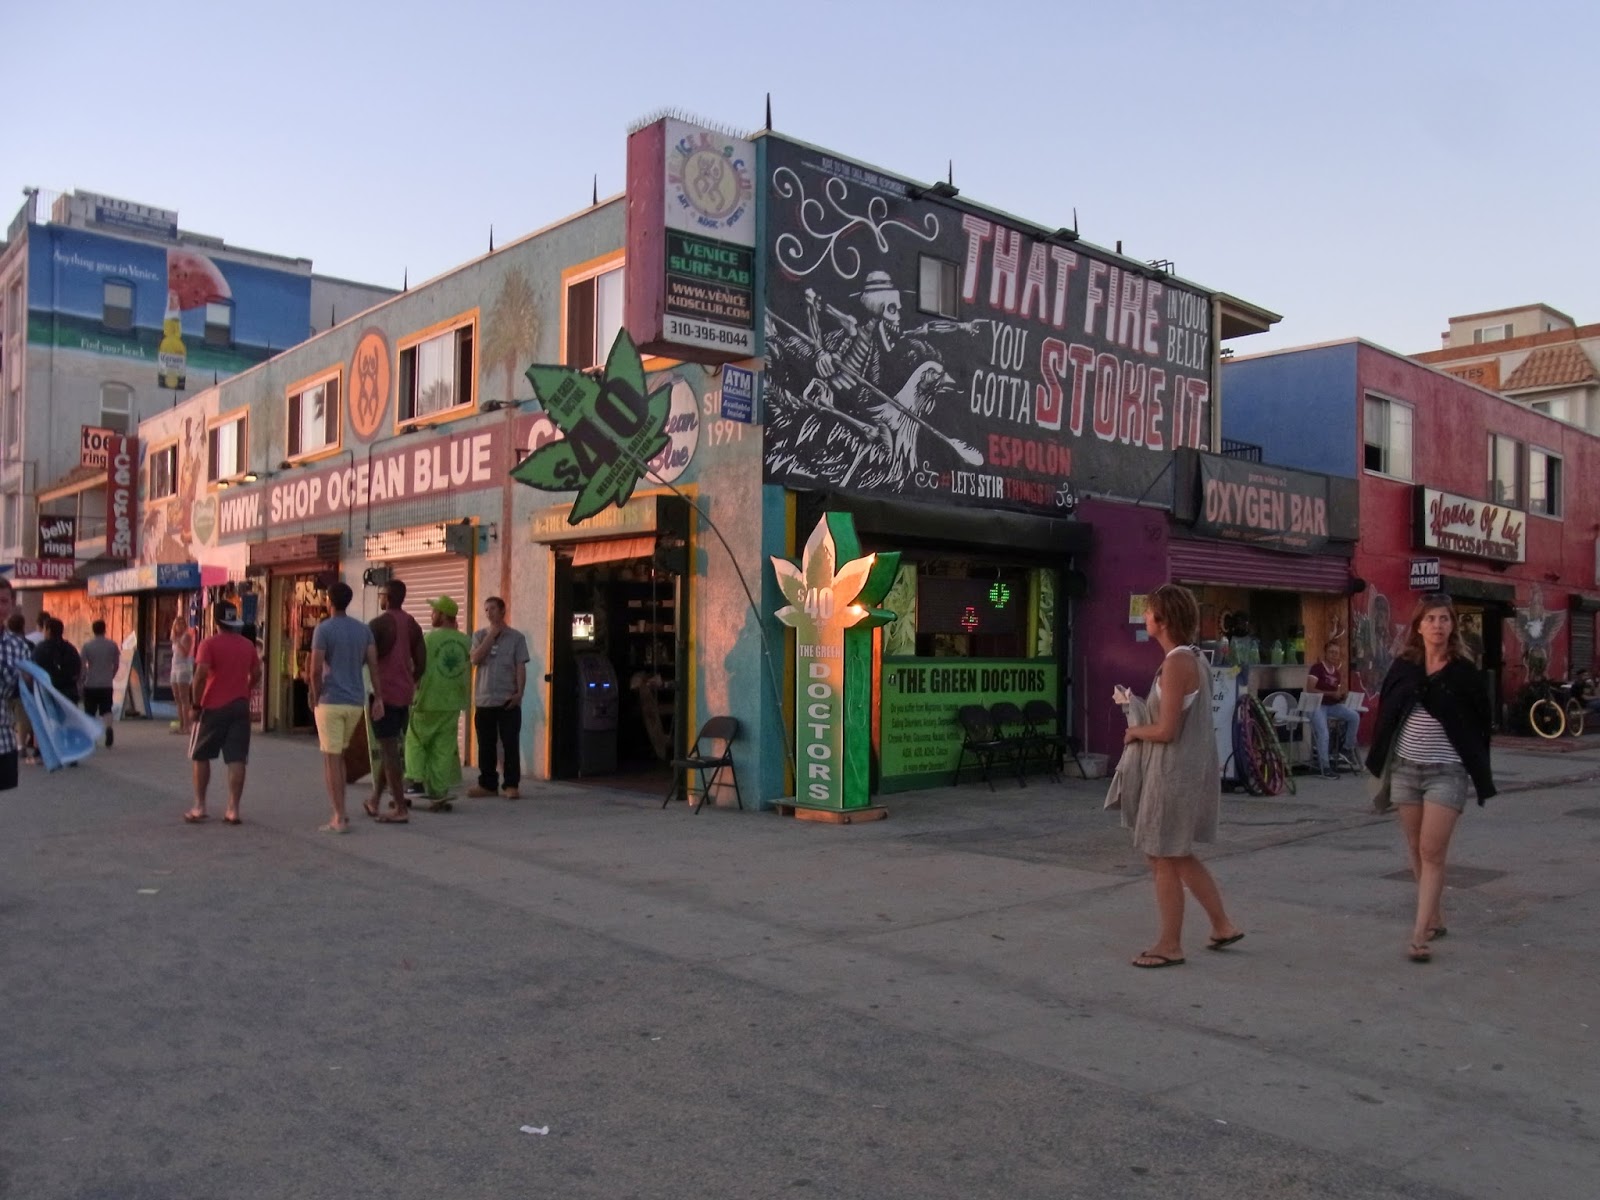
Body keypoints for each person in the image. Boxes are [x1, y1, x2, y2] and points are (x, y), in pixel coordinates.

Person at [1114, 584, 1243, 968]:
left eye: (1150, 612)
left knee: (1163, 856)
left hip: (1172, 774)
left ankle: (1170, 944)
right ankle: (1222, 924)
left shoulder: (1176, 664)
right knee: (1179, 853)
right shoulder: (1193, 659)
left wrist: (1135, 729)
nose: (1145, 618)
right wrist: (1136, 705)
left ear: (1162, 620)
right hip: (1185, 770)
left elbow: (1167, 730)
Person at [1365, 593, 1496, 965]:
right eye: (1432, 619)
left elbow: (1479, 723)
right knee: (1414, 846)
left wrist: (1478, 767)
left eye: (1445, 619)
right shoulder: (1405, 667)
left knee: (1432, 852)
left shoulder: (1463, 672)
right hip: (1407, 768)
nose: (1438, 625)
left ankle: (1419, 933)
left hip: (1447, 771)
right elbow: (1388, 710)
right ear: (1419, 626)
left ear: (1453, 626)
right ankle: (1435, 917)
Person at [308, 582, 381, 834]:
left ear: (329, 601)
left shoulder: (323, 629)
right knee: (339, 757)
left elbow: (316, 668)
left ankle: (339, 816)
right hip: (354, 702)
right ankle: (340, 812)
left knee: (331, 759)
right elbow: (373, 666)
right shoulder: (363, 630)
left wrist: (314, 694)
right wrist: (378, 698)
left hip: (330, 701)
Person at [182, 618, 262, 825]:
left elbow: (200, 676)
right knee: (237, 758)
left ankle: (200, 805)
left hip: (212, 706)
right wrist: (246, 687)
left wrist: (195, 705)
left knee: (200, 754)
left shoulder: (208, 644)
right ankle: (233, 809)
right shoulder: (247, 645)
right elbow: (257, 673)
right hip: (240, 705)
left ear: (217, 622)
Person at [365, 579, 426, 824]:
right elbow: (422, 663)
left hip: (383, 695)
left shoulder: (378, 624)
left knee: (389, 751)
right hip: (404, 696)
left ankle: (400, 807)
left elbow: (365, 658)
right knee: (389, 746)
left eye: (381, 594)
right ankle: (374, 799)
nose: (380, 598)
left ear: (387, 597)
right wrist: (409, 681)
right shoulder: (412, 625)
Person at [403, 596, 473, 811]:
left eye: (434, 611)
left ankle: (415, 780)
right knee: (443, 747)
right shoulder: (466, 641)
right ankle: (439, 791)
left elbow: (416, 665)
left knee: (415, 740)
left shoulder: (428, 639)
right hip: (454, 701)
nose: (431, 615)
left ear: (442, 615)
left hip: (428, 700)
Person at [469, 596, 529, 799]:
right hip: (485, 699)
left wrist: (519, 693)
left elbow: (520, 666)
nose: (489, 613)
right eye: (486, 610)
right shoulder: (479, 636)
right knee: (486, 744)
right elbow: (475, 659)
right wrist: (491, 636)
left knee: (510, 743)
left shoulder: (517, 638)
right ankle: (487, 784)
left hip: (507, 698)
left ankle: (511, 785)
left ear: (503, 611)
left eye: (493, 609)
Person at [1305, 638, 1362, 777]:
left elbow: (1335, 692)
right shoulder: (1317, 668)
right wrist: (1332, 694)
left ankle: (1346, 749)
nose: (1334, 655)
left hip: (1332, 705)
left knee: (1354, 716)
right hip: (1316, 705)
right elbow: (1310, 689)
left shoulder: (1336, 672)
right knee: (1324, 733)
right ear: (1325, 653)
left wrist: (1341, 696)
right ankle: (1324, 766)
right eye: (1331, 652)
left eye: (1336, 653)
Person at [0, 582, 31, 790]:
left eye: (3, 601)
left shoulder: (19, 646)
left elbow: (24, 692)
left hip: (3, 739)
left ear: (11, 605)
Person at [79, 620, 121, 748]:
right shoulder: (112, 645)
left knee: (90, 711)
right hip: (106, 683)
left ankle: (92, 737)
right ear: (105, 629)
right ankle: (108, 728)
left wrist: (82, 679)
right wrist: (111, 675)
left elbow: (83, 666)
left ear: (93, 630)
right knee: (107, 708)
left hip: (91, 683)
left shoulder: (87, 646)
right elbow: (117, 664)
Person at [33, 619, 82, 704]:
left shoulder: (41, 649)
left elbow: (33, 668)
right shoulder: (71, 649)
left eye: (44, 629)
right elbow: (77, 669)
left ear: (48, 630)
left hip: (47, 694)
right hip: (69, 694)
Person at [170, 614, 197, 734]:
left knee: (184, 697)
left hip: (183, 668)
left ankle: (187, 726)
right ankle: (181, 725)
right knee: (177, 698)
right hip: (174, 668)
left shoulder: (186, 636)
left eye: (181, 624)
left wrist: (177, 642)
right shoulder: (175, 637)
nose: (179, 627)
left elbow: (185, 653)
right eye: (177, 624)